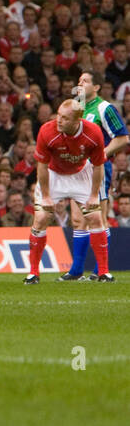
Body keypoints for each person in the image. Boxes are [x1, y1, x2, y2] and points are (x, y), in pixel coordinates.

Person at [25, 99, 110, 283]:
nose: (58, 120)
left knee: (95, 218)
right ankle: (33, 273)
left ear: (76, 120)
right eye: (58, 115)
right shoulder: (47, 131)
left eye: (64, 118)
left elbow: (97, 166)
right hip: (53, 175)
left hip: (80, 174)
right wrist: (46, 196)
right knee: (40, 219)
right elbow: (41, 166)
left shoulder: (93, 133)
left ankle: (103, 272)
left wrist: (94, 195)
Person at [74, 71, 127, 277]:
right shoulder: (76, 107)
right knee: (78, 220)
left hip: (96, 170)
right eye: (78, 81)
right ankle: (76, 270)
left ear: (96, 87)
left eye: (85, 81)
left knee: (98, 218)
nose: (80, 84)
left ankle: (99, 270)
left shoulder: (105, 108)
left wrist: (102, 154)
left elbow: (122, 138)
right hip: (76, 170)